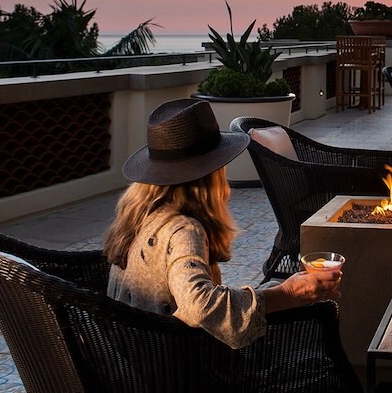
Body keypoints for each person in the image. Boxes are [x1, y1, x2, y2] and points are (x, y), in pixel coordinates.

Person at [104, 98, 342, 349]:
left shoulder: (140, 215)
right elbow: (199, 305)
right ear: (212, 172)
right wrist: (288, 294)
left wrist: (278, 288)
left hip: (131, 357)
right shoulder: (183, 230)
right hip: (172, 367)